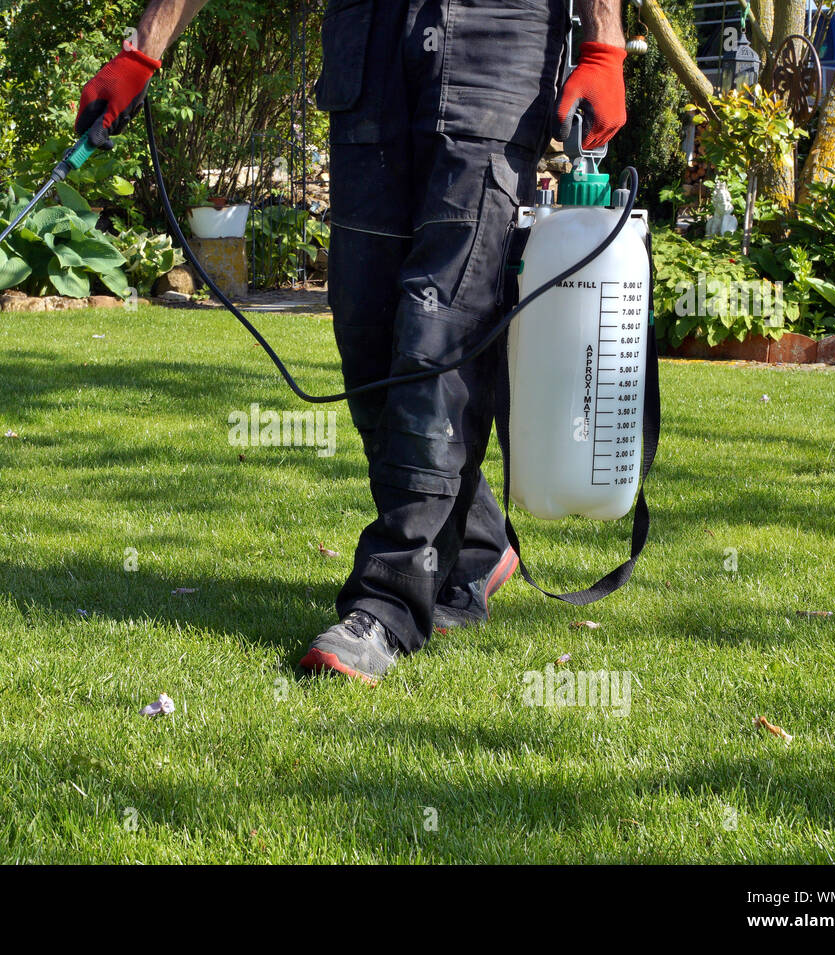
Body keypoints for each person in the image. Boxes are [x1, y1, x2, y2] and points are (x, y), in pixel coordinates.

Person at [74, 0, 627, 683]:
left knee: (437, 325)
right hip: (368, 42)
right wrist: (142, 52)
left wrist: (606, 44)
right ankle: (478, 542)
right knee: (365, 331)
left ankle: (387, 601)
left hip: (496, 38)